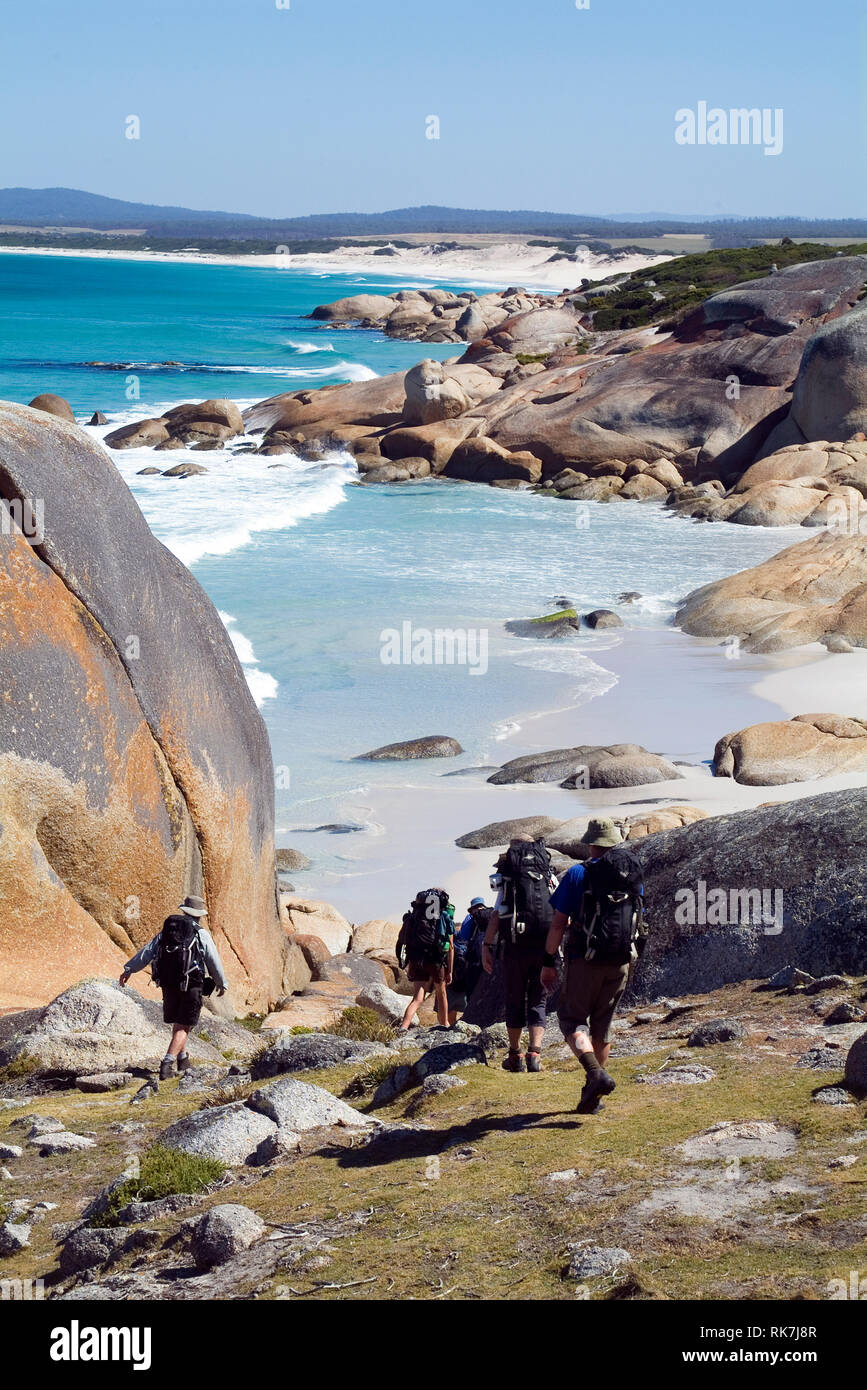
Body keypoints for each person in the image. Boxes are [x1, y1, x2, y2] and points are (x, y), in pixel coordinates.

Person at [542, 818, 644, 1114]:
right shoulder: (632, 874)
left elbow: (558, 924)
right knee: (603, 1025)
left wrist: (549, 962)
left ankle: (594, 1074)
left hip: (584, 960)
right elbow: (639, 918)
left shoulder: (577, 874)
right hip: (620, 960)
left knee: (571, 1020)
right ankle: (593, 1098)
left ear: (590, 844)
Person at [119, 894, 228, 1081]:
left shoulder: (168, 931)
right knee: (184, 1027)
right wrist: (221, 982)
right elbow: (213, 960)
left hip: (168, 984)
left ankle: (183, 1059)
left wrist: (129, 969)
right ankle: (167, 1064)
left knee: (179, 1023)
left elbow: (148, 951)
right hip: (192, 984)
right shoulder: (200, 933)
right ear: (199, 914)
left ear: (184, 910)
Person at [482, 837, 557, 1073]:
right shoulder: (546, 872)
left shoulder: (508, 875)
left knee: (515, 998)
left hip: (514, 946)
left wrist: (486, 945)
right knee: (538, 998)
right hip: (544, 945)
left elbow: (496, 915)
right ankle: (535, 1053)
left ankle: (515, 1055)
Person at [396, 888, 455, 1030]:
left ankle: (403, 1027)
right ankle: (444, 1025)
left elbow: (408, 941)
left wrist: (410, 964)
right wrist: (450, 971)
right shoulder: (443, 916)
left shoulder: (416, 917)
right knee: (441, 995)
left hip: (417, 959)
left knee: (417, 998)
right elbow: (451, 948)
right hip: (435, 960)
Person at [447, 896, 492, 1026]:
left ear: (472, 908)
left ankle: (475, 1020)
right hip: (491, 955)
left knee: (473, 991)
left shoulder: (470, 918)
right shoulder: (493, 915)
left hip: (474, 957)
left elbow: (463, 937)